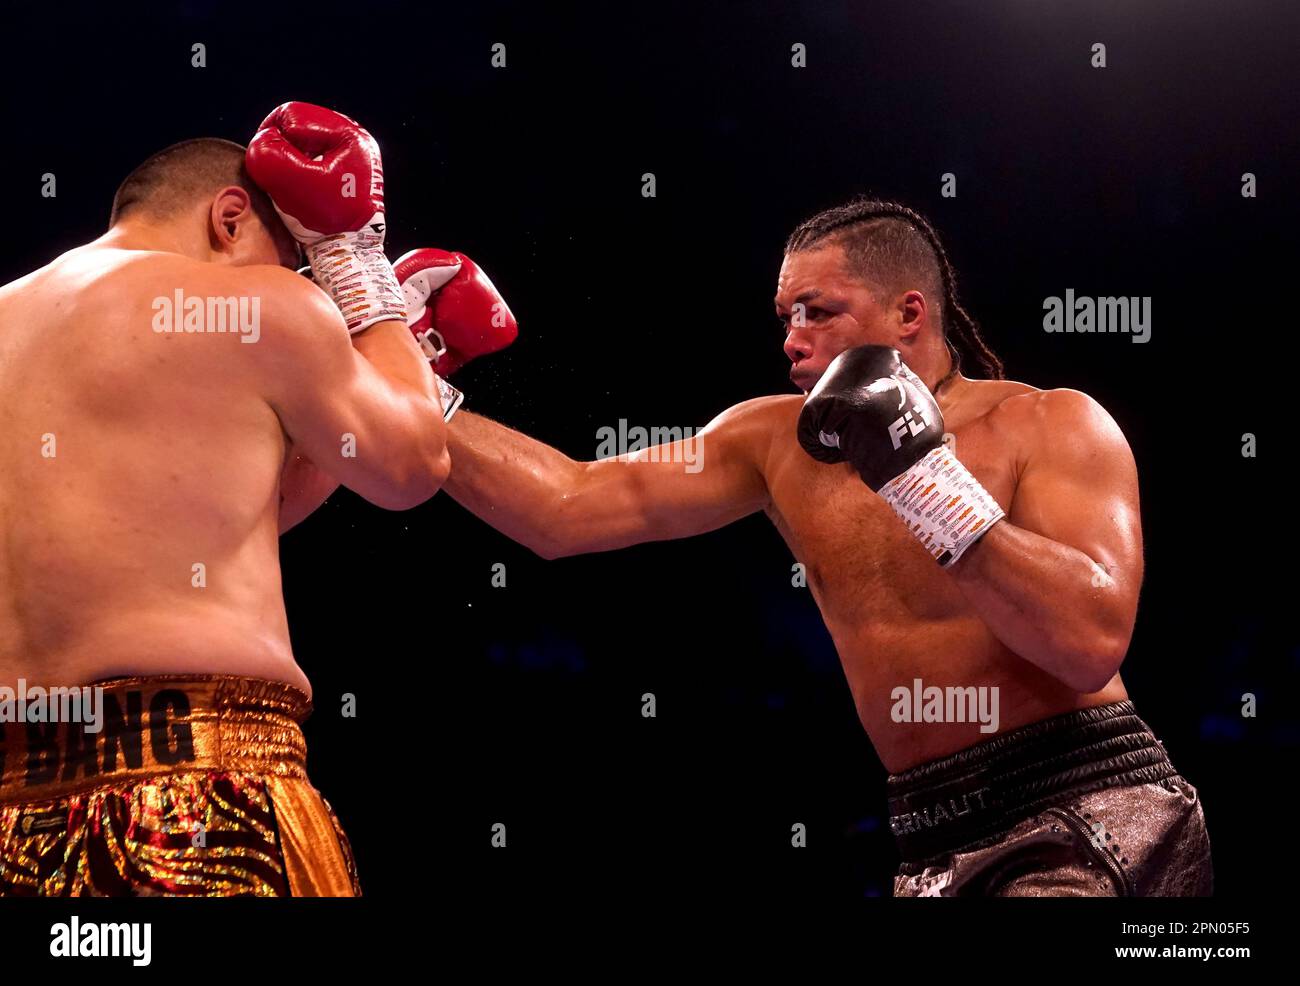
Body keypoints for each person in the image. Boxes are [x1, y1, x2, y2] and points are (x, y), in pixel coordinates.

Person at [438, 198, 1213, 896]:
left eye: (817, 312)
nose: (792, 341)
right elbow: (565, 507)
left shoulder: (1049, 423)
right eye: (784, 318)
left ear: (909, 313)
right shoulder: (773, 441)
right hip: (927, 836)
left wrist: (922, 481)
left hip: (1087, 805)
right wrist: (409, 390)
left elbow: (1088, 643)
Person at [0, 102, 448, 896]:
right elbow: (413, 463)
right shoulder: (266, 309)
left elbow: (232, 513)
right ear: (230, 218)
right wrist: (352, 262)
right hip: (204, 794)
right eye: (290, 259)